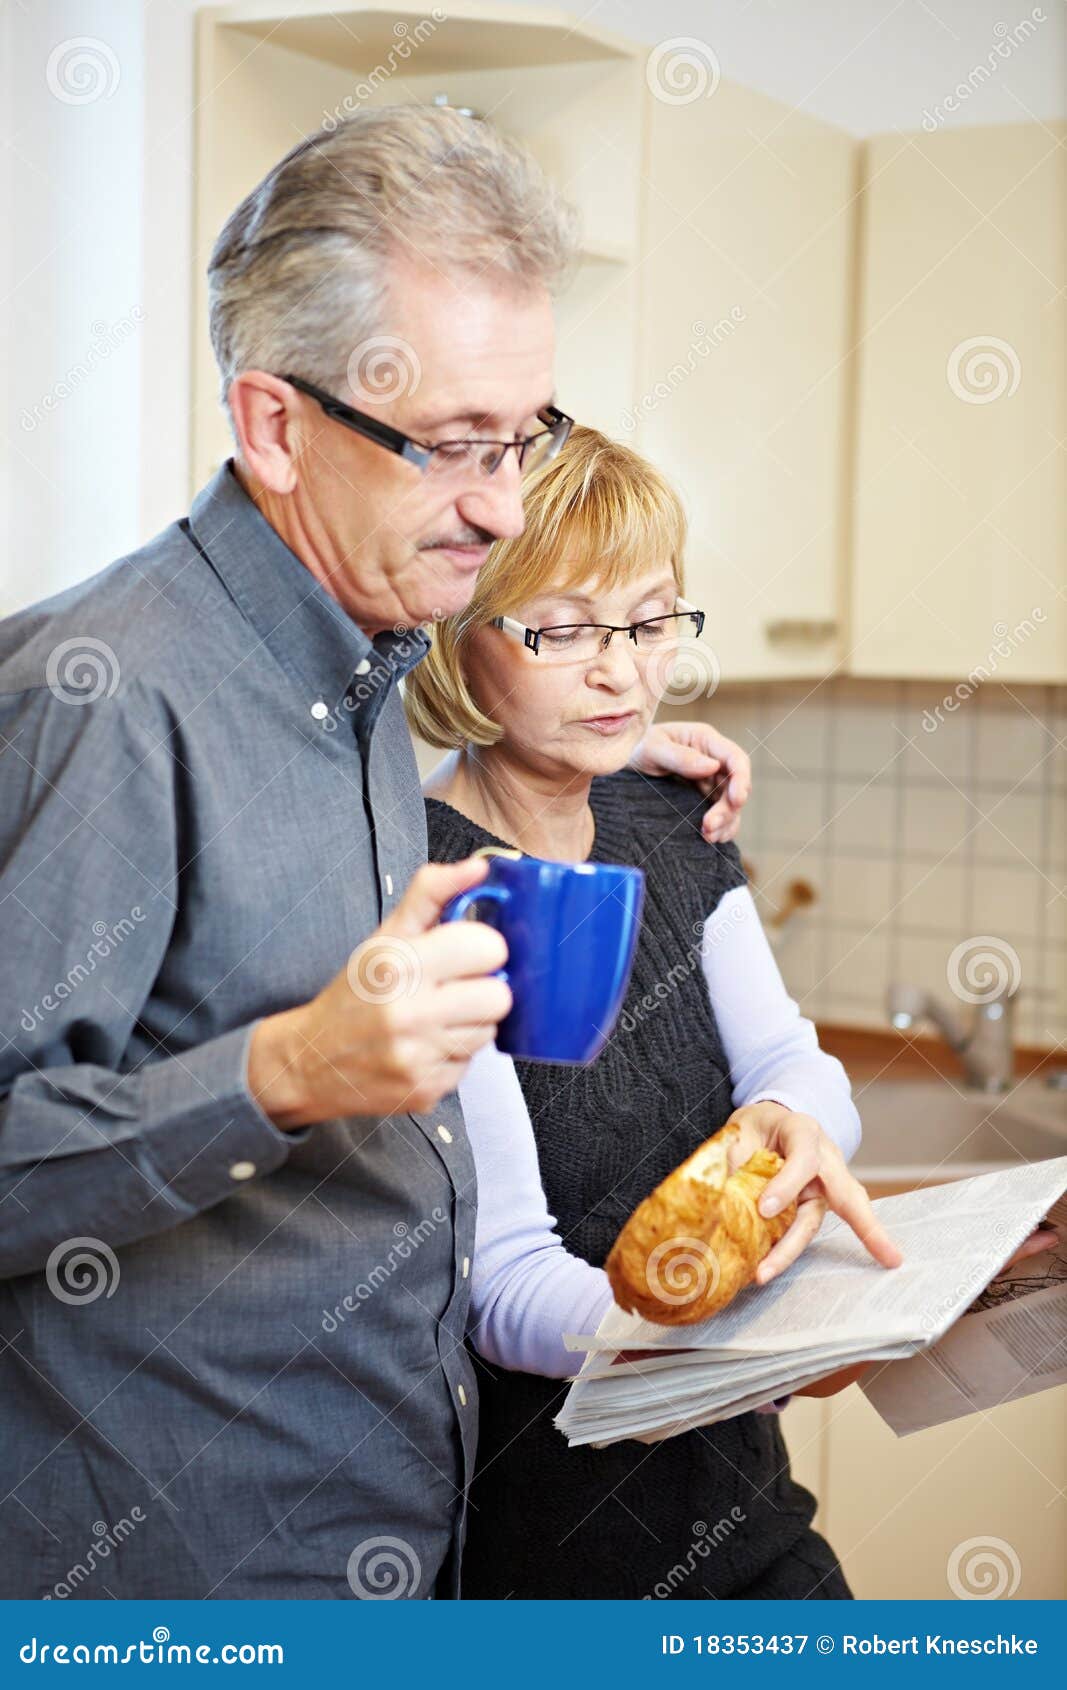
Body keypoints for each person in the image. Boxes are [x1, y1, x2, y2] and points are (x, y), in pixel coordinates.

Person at [0, 109, 752, 1600]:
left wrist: (601, 746)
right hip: (184, 1578)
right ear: (276, 426)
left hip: (397, 1540)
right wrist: (287, 1069)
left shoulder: (364, 666)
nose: (500, 504)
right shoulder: (103, 694)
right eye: (453, 446)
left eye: (522, 436)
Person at [407, 426, 904, 1598]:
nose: (622, 674)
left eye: (648, 621)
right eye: (565, 629)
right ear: (457, 632)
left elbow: (791, 1061)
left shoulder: (671, 820)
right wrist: (741, 1350)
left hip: (747, 1511)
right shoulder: (430, 884)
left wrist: (792, 1123)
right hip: (558, 1548)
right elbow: (503, 1282)